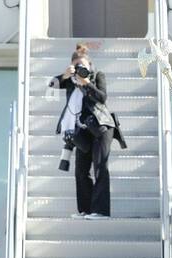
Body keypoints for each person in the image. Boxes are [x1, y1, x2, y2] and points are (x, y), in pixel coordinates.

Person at [50, 47, 126, 218]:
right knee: (81, 171)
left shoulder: (97, 75)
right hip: (82, 131)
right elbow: (51, 85)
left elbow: (102, 98)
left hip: (102, 127)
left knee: (100, 167)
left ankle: (100, 211)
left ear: (90, 65)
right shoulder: (70, 80)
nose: (79, 70)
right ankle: (85, 210)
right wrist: (64, 75)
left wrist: (86, 83)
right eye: (76, 66)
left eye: (82, 65)